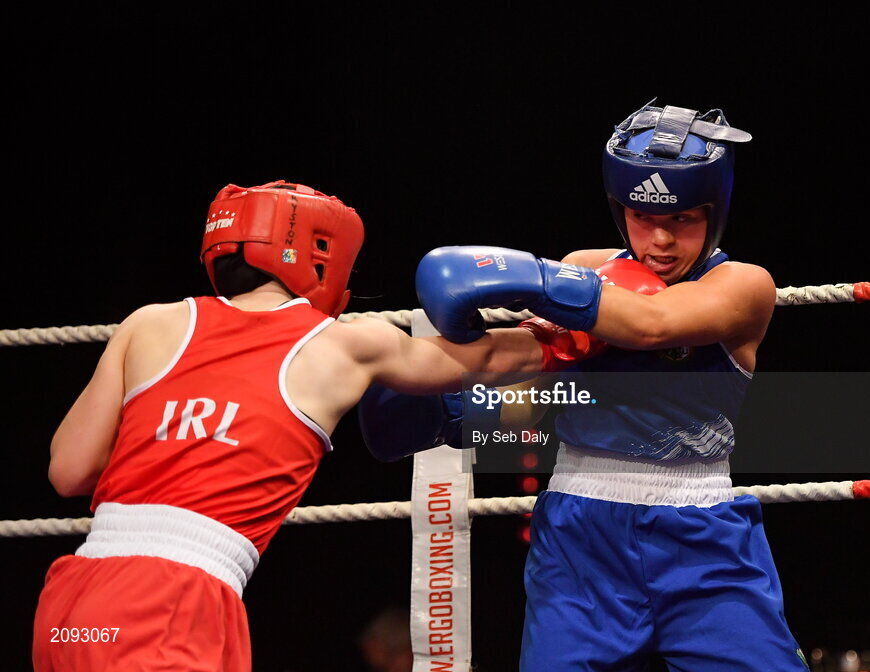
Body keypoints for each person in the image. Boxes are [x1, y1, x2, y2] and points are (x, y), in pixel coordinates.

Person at [33, 180, 558, 671]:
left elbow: (70, 470)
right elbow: (486, 362)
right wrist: (584, 326)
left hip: (73, 603)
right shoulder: (343, 343)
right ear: (325, 257)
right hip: (172, 601)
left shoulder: (148, 322)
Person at [413, 103, 809, 671]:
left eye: (682, 219)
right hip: (579, 532)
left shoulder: (743, 285)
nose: (661, 240)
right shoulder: (583, 269)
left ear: (714, 212)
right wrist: (455, 413)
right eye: (644, 218)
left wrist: (536, 279)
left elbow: (655, 324)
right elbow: (542, 395)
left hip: (700, 531)